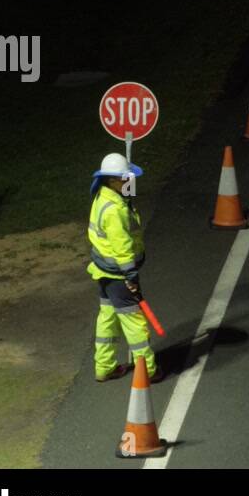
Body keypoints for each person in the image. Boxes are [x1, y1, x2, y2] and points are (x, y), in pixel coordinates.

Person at [87, 153, 161, 383]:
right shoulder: (114, 210)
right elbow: (122, 247)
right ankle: (147, 370)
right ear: (113, 180)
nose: (131, 181)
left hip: (104, 272)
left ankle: (104, 367)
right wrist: (130, 275)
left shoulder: (104, 197)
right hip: (119, 275)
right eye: (126, 177)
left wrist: (127, 198)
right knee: (135, 323)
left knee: (108, 318)